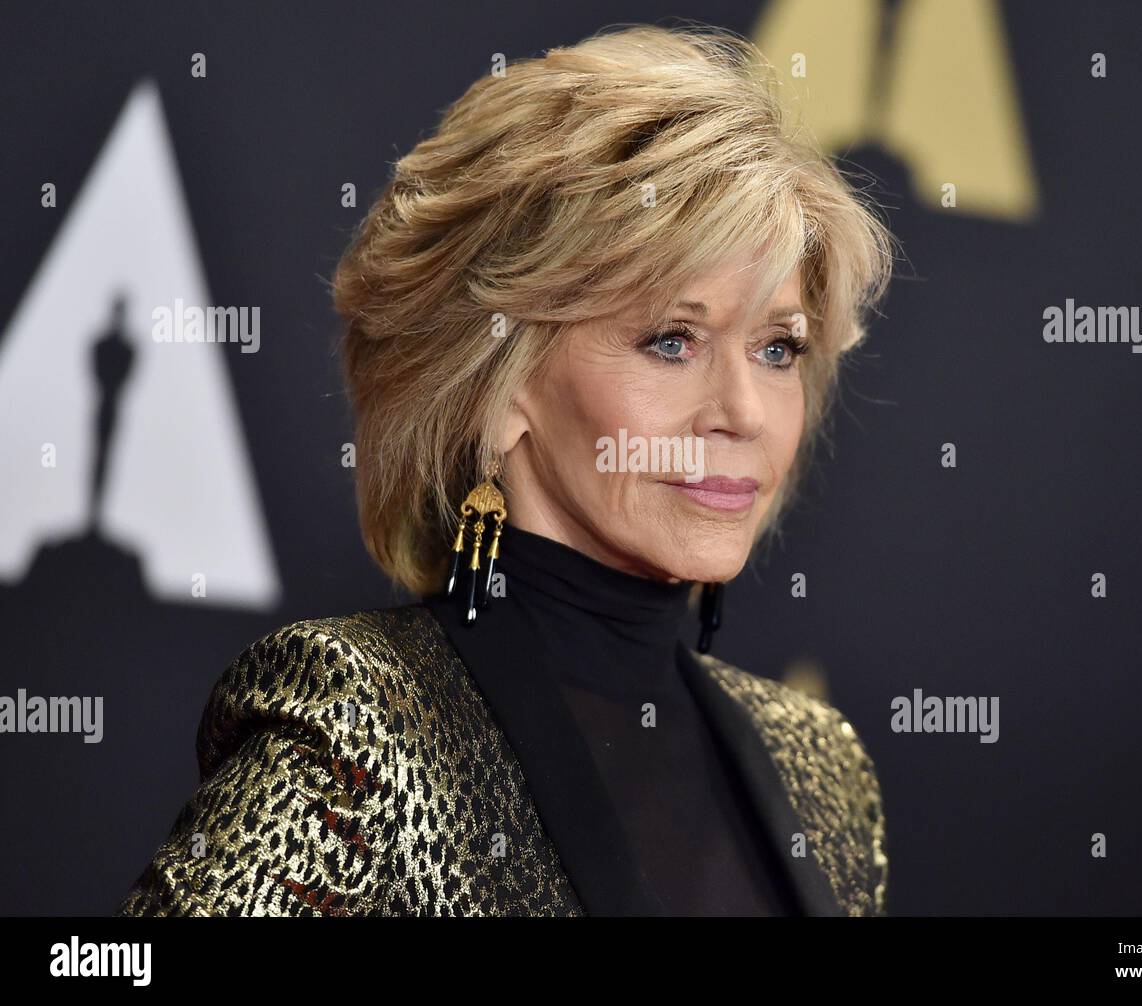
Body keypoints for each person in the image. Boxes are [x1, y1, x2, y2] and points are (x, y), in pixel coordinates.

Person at [115, 22, 894, 917]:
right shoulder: (357, 738)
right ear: (499, 383)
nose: (744, 413)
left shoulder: (820, 766)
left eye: (778, 348)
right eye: (671, 340)